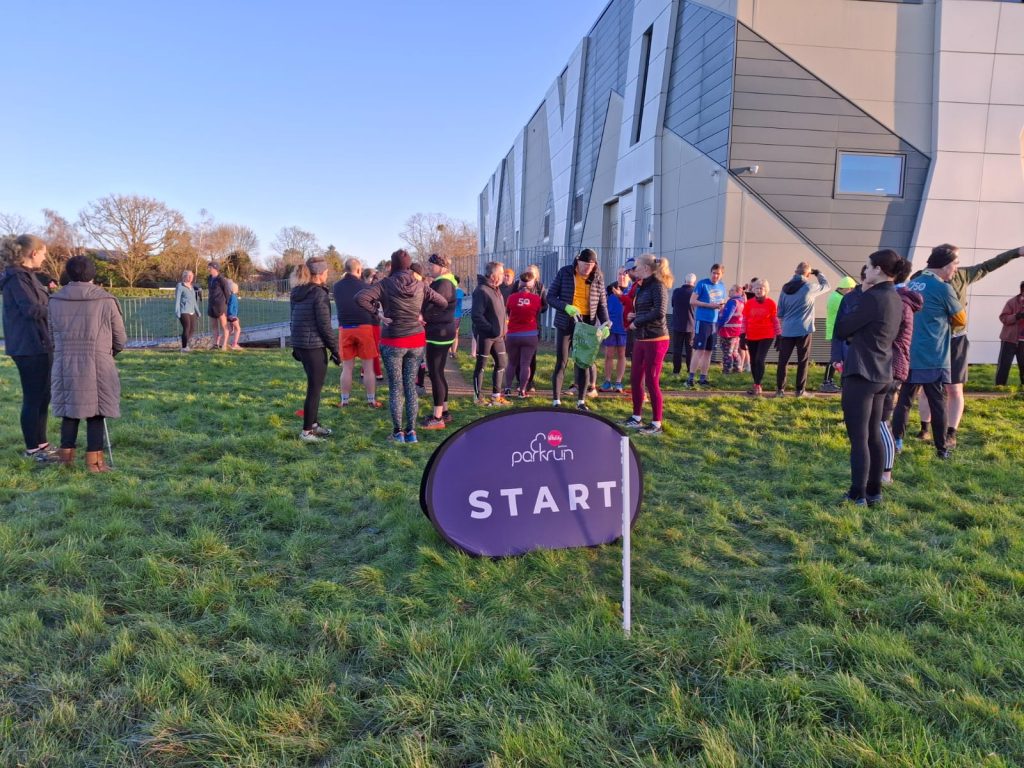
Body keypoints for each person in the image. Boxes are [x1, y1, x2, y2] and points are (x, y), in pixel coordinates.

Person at [916, 244, 1023, 447]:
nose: (957, 265)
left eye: (958, 261)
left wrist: (1016, 253)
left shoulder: (963, 275)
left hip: (956, 338)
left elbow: (989, 265)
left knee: (954, 388)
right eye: (954, 261)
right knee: (927, 385)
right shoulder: (923, 278)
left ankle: (951, 433)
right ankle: (924, 428)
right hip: (932, 339)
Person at [833, 249, 906, 506]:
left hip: (862, 371)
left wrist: (858, 298)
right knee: (874, 434)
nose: (865, 271)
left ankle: (857, 493)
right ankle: (874, 492)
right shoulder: (896, 297)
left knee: (859, 437)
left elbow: (842, 328)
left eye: (868, 266)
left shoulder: (872, 297)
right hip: (883, 371)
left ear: (878, 269)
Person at [356, 249, 447, 443]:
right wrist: (422, 316)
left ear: (394, 264)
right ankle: (411, 432)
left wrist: (378, 315)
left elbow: (360, 298)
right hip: (416, 340)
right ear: (408, 265)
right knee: (410, 386)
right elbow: (442, 302)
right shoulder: (421, 285)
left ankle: (398, 433)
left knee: (396, 387)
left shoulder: (385, 284)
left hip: (393, 341)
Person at [48, 255, 127, 472]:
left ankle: (65, 460)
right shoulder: (106, 300)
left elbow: (50, 335)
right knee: (96, 411)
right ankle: (95, 463)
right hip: (98, 362)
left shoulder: (54, 301)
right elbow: (120, 338)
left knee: (69, 410)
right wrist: (111, 352)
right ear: (92, 273)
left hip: (65, 362)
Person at [890, 247, 966, 459]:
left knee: (904, 400)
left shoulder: (911, 283)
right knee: (937, 402)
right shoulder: (943, 288)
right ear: (945, 265)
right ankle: (941, 448)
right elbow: (961, 319)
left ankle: (897, 441)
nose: (956, 269)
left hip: (908, 352)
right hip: (933, 354)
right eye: (955, 265)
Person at [1, 234, 57, 461]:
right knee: (33, 397)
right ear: (34, 253)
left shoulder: (27, 276)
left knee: (44, 395)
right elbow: (31, 309)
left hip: (39, 343)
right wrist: (59, 309)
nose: (44, 258)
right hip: (28, 346)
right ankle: (33, 449)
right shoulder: (16, 278)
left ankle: (42, 444)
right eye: (43, 254)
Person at [547, 248, 609, 410]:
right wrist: (566, 307)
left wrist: (606, 323)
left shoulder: (598, 277)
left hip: (587, 324)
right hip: (566, 321)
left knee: (583, 362)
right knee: (562, 361)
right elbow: (550, 297)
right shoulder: (565, 272)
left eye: (591, 265)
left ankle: (581, 401)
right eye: (585, 265)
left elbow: (602, 304)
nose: (587, 268)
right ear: (578, 261)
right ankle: (556, 400)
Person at [290, 256, 341, 443]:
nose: (327, 274)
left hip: (301, 344)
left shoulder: (296, 292)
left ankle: (313, 424)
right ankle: (306, 432)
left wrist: (295, 345)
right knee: (314, 388)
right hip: (313, 346)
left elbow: (292, 319)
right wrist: (336, 350)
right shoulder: (319, 294)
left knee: (314, 386)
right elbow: (324, 326)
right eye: (326, 271)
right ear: (320, 274)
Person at [623, 254, 672, 435]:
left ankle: (656, 423)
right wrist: (634, 316)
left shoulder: (658, 286)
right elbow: (646, 310)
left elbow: (659, 312)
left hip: (656, 339)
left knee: (652, 380)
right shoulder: (641, 286)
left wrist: (637, 322)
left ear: (645, 268)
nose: (633, 270)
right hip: (641, 338)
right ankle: (636, 417)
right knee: (636, 378)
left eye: (636, 267)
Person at [882, 261, 922, 483]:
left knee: (881, 420)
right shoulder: (901, 298)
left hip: (890, 364)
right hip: (892, 363)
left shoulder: (898, 301)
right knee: (883, 416)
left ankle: (886, 471)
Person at [775, 262, 829, 397]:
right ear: (808, 274)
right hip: (803, 329)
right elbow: (826, 286)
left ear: (795, 272)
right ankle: (800, 391)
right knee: (802, 360)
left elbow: (780, 313)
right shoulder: (809, 287)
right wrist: (818, 273)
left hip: (787, 329)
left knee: (783, 361)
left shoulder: (784, 288)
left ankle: (780, 390)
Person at [333, 257, 380, 408]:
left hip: (345, 328)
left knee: (347, 368)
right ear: (359, 270)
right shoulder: (365, 287)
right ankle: (371, 400)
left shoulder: (336, 286)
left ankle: (344, 400)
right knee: (368, 368)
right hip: (364, 327)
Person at [420, 253, 459, 428]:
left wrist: (423, 315)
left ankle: (437, 418)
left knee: (435, 374)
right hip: (442, 330)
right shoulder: (446, 282)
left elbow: (434, 307)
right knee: (439, 373)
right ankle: (444, 412)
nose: (429, 268)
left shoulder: (443, 283)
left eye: (431, 265)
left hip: (439, 332)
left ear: (442, 266)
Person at [471, 261, 510, 406]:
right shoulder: (481, 290)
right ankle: (478, 397)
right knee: (481, 365)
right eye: (501, 273)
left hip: (499, 337)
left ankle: (496, 396)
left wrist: (503, 329)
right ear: (493, 276)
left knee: (501, 363)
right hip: (486, 336)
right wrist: (491, 329)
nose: (503, 276)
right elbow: (476, 316)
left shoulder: (496, 289)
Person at [687, 263, 727, 388]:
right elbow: (692, 301)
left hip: (714, 322)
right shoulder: (702, 284)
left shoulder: (722, 286)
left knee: (708, 352)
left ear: (721, 275)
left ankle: (703, 378)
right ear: (710, 273)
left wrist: (721, 307)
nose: (715, 276)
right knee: (699, 350)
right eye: (713, 273)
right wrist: (709, 305)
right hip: (702, 321)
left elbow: (721, 302)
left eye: (718, 274)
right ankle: (690, 378)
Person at [505, 272, 543, 399]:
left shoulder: (511, 298)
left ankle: (507, 389)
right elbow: (537, 314)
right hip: (530, 335)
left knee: (511, 363)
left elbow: (508, 312)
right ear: (532, 284)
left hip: (513, 334)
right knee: (525, 364)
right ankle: (522, 391)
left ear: (519, 284)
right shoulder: (536, 299)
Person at [820, 275, 858, 392]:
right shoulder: (839, 299)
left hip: (834, 330)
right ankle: (827, 382)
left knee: (836, 358)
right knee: (835, 358)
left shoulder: (835, 295)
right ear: (846, 288)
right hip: (836, 331)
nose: (852, 292)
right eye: (851, 289)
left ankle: (829, 382)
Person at [742, 280, 779, 396]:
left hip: (767, 335)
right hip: (752, 335)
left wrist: (779, 335)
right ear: (753, 290)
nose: (758, 290)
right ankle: (756, 384)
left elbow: (775, 320)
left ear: (766, 290)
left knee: (759, 359)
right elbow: (744, 320)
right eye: (756, 288)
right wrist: (742, 336)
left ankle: (758, 384)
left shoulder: (771, 303)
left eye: (761, 288)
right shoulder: (749, 303)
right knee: (753, 361)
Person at [600, 268, 630, 392]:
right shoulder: (610, 290)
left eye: (625, 274)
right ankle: (607, 381)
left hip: (624, 328)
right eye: (619, 274)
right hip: (611, 327)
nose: (622, 276)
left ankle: (618, 382)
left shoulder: (631, 291)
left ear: (629, 276)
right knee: (609, 355)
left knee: (622, 354)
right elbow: (603, 306)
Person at [524, 264, 548, 393]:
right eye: (527, 272)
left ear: (536, 276)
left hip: (534, 325)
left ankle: (530, 381)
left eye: (532, 273)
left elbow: (545, 305)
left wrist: (535, 309)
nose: (528, 275)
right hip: (519, 325)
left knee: (532, 355)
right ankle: (520, 380)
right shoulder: (519, 285)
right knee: (519, 355)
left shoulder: (540, 287)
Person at [995, 281, 1024, 386]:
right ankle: (999, 387)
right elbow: (1003, 318)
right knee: (1004, 366)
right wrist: (1017, 316)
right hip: (1009, 340)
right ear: (1022, 291)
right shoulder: (1012, 302)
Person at [716, 284, 746, 374]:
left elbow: (726, 316)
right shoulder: (741, 302)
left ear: (737, 292)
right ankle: (738, 368)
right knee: (734, 352)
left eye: (732, 290)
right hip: (736, 331)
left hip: (727, 332)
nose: (730, 291)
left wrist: (718, 325)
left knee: (727, 352)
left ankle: (727, 371)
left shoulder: (733, 302)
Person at [670, 273, 696, 376]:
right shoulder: (695, 293)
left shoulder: (676, 291)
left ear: (685, 281)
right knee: (690, 350)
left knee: (677, 349)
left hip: (677, 324)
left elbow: (673, 304)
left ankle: (676, 371)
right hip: (691, 325)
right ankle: (690, 370)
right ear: (694, 282)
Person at [174, 270, 200, 352]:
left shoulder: (192, 287)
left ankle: (185, 343)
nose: (190, 277)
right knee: (187, 327)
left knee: (192, 329)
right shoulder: (180, 286)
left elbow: (194, 301)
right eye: (188, 276)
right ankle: (184, 347)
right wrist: (177, 311)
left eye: (191, 276)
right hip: (184, 311)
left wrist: (198, 311)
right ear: (184, 277)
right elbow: (177, 299)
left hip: (192, 311)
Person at [207, 261, 229, 351]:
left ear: (215, 268)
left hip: (220, 305)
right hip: (211, 305)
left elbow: (226, 292)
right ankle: (215, 344)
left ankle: (224, 345)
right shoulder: (209, 278)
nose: (208, 269)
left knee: (224, 326)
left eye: (210, 267)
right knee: (214, 326)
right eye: (208, 267)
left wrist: (226, 304)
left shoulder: (221, 279)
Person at [225, 279, 242, 350]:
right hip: (232, 316)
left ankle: (223, 342)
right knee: (238, 329)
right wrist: (232, 315)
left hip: (230, 315)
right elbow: (231, 306)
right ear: (235, 289)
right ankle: (234, 344)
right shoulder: (233, 297)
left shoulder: (231, 296)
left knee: (230, 330)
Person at [451, 276, 465, 359]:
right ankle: (449, 351)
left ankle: (454, 352)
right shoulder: (449, 290)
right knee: (448, 333)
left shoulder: (459, 291)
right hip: (448, 315)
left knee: (455, 333)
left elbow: (457, 303)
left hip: (456, 315)